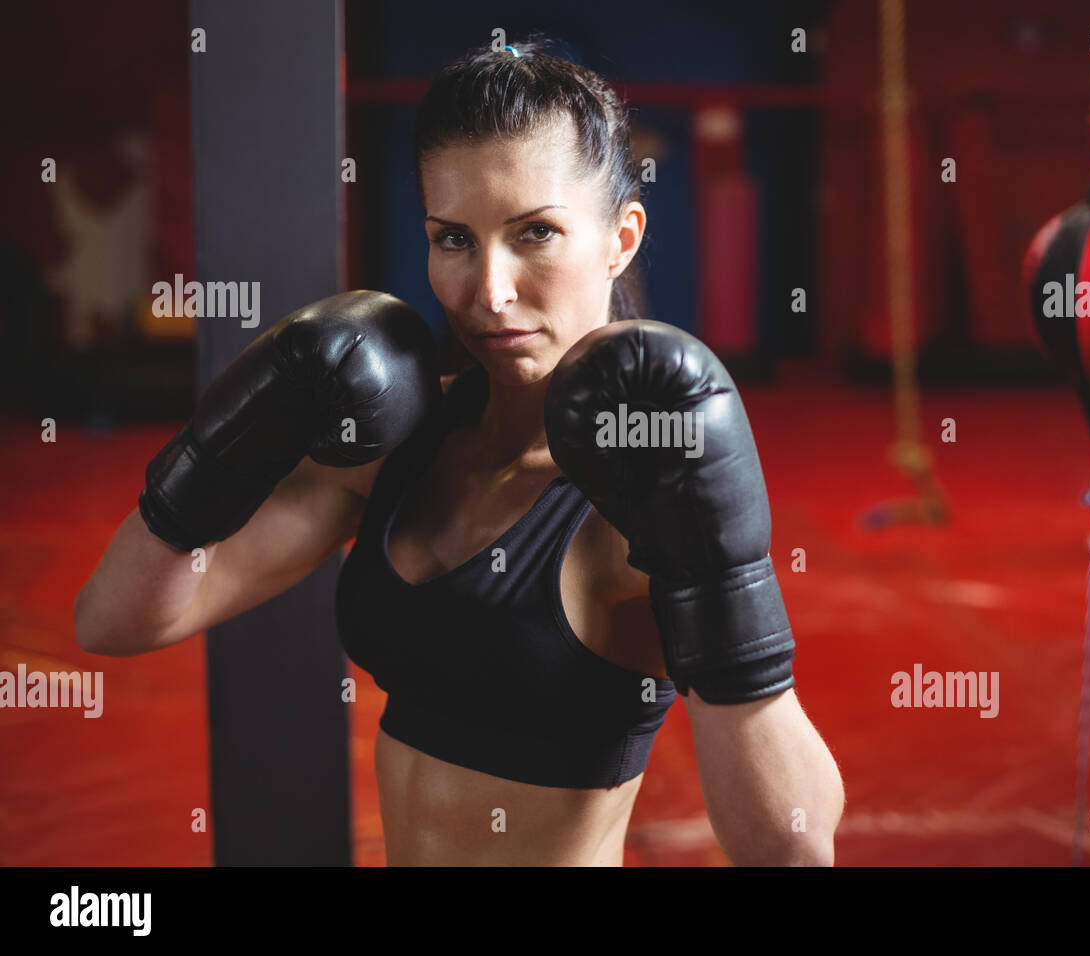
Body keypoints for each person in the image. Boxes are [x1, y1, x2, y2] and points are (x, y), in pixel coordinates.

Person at [75, 39, 844, 866]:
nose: (490, 291)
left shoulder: (639, 495)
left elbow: (791, 849)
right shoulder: (404, 440)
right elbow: (115, 621)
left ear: (621, 238)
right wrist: (217, 452)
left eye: (536, 234)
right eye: (454, 240)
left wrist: (721, 576)